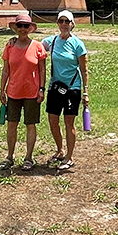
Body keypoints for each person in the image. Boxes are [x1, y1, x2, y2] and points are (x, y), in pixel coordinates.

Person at [42, 10, 89, 173]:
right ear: (57, 23)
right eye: (60, 21)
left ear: (72, 24)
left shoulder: (77, 44)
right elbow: (34, 47)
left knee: (69, 122)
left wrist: (85, 92)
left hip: (72, 88)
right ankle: (60, 150)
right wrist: (16, 40)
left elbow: (84, 70)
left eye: (66, 21)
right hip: (55, 87)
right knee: (52, 121)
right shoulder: (52, 41)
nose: (63, 24)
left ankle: (69, 156)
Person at [0, 12, 47, 170]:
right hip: (13, 92)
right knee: (12, 124)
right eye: (20, 25)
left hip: (32, 92)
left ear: (31, 28)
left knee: (30, 124)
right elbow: (6, 70)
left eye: (26, 26)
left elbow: (42, 70)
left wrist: (41, 89)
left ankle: (28, 158)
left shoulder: (37, 47)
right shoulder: (10, 46)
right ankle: (10, 156)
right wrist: (2, 89)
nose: (23, 29)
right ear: (15, 28)